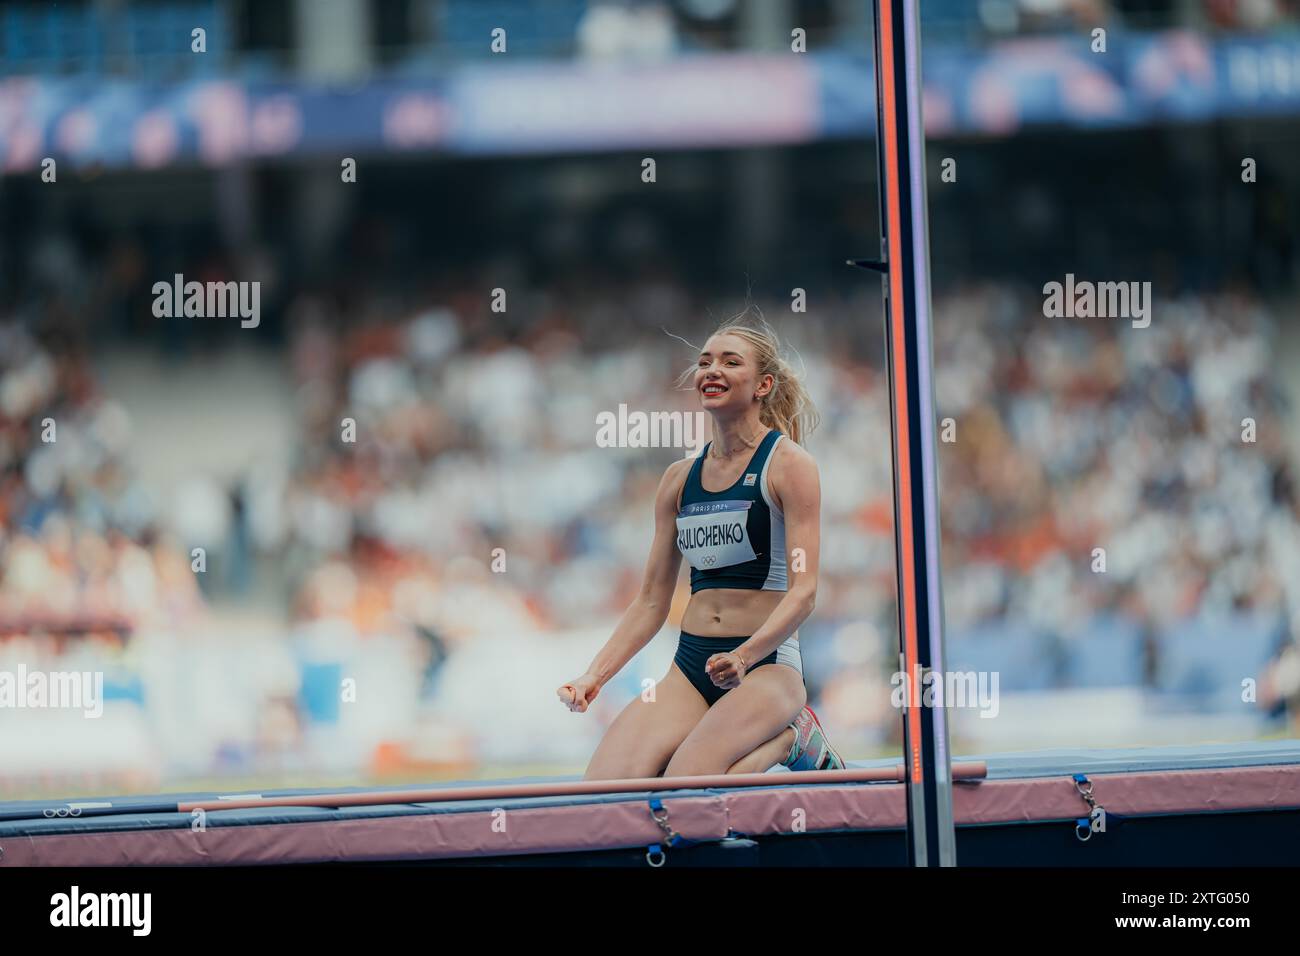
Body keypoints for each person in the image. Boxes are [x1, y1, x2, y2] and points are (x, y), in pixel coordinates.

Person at [558, 315, 843, 778]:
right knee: (602, 792)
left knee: (686, 790)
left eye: (731, 363)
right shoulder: (678, 480)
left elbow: (804, 592)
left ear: (763, 385)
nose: (712, 370)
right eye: (705, 362)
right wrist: (595, 675)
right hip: (691, 667)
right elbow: (652, 600)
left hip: (765, 666)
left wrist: (744, 656)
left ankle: (792, 740)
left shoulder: (789, 465)